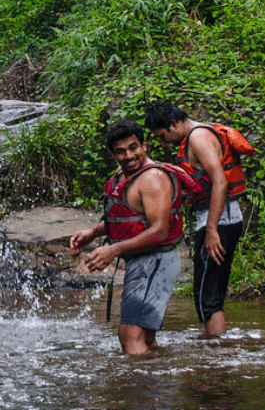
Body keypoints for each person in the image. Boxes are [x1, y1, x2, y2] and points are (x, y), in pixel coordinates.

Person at [70, 120, 187, 355]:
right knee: (144, 338)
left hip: (156, 261)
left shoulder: (152, 179)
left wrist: (113, 250)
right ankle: (158, 384)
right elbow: (129, 218)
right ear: (113, 154)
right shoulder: (122, 176)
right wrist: (93, 232)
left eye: (134, 148)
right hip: (145, 263)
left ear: (144, 145)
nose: (129, 156)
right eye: (121, 152)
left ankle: (139, 390)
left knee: (130, 338)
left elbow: (159, 231)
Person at [145, 101, 254, 337]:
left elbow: (220, 181)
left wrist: (212, 229)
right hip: (221, 219)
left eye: (162, 136)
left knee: (208, 298)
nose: (163, 142)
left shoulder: (198, 137)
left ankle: (217, 357)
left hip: (218, 221)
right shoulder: (201, 133)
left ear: (173, 125)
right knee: (209, 293)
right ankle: (217, 349)